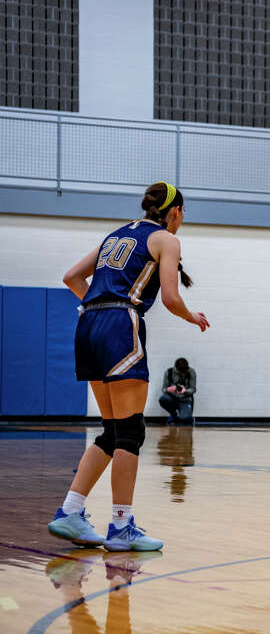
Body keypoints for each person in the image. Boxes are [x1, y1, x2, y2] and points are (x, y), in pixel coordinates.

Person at [48, 182, 209, 553]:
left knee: (112, 430)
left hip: (87, 323)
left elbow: (71, 277)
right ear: (176, 212)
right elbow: (170, 297)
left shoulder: (116, 235)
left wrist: (101, 303)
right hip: (120, 325)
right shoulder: (166, 239)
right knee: (131, 431)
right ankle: (121, 526)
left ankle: (70, 511)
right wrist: (191, 316)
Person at [158, 357, 196, 425]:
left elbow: (193, 389)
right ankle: (173, 413)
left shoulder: (191, 372)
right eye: (180, 372)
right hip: (172, 398)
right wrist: (169, 389)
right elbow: (164, 389)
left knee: (185, 419)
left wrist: (185, 391)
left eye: (184, 372)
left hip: (185, 398)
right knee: (163, 399)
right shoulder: (169, 372)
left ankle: (187, 416)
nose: (182, 373)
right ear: (176, 368)